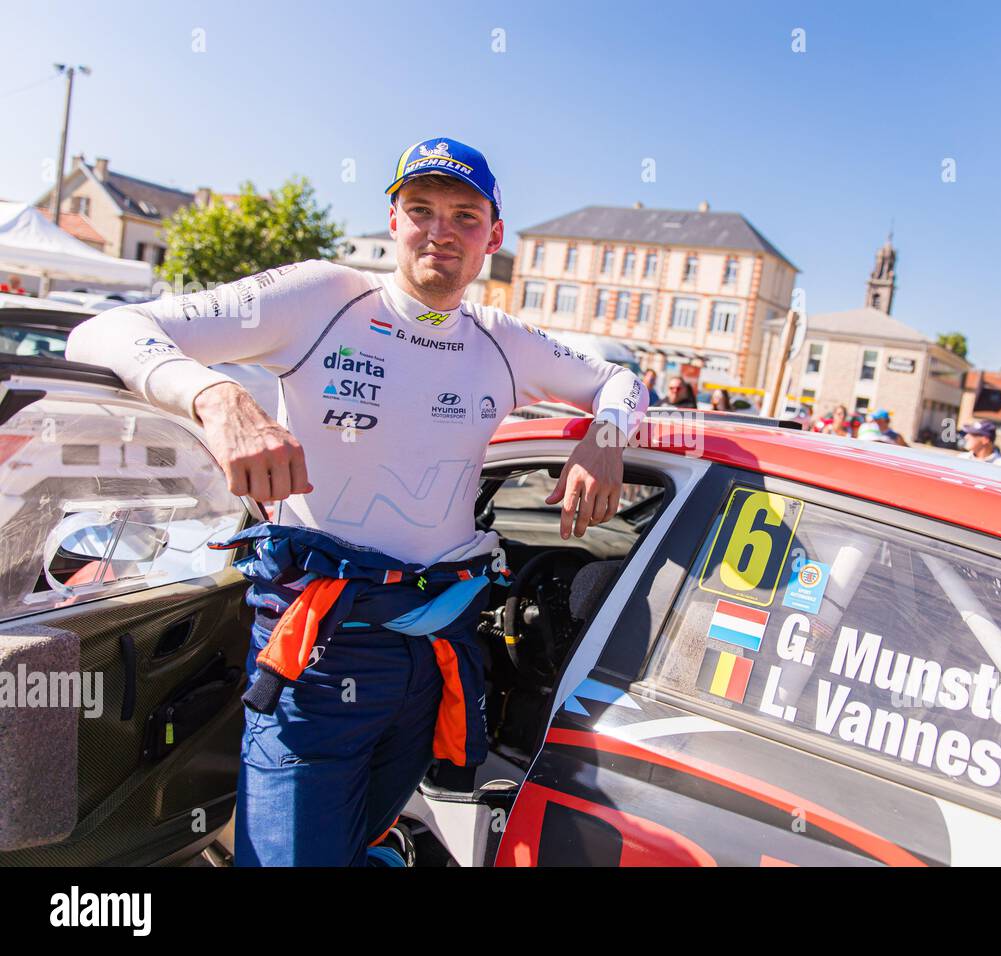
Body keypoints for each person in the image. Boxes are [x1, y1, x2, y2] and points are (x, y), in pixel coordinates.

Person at [66, 136, 648, 867]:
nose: (440, 231)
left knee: (363, 846)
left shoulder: (500, 340)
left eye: (465, 216)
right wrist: (215, 396)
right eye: (421, 209)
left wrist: (606, 434)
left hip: (436, 651)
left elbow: (622, 382)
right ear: (393, 221)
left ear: (493, 237)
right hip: (316, 655)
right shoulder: (321, 297)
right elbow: (104, 330)